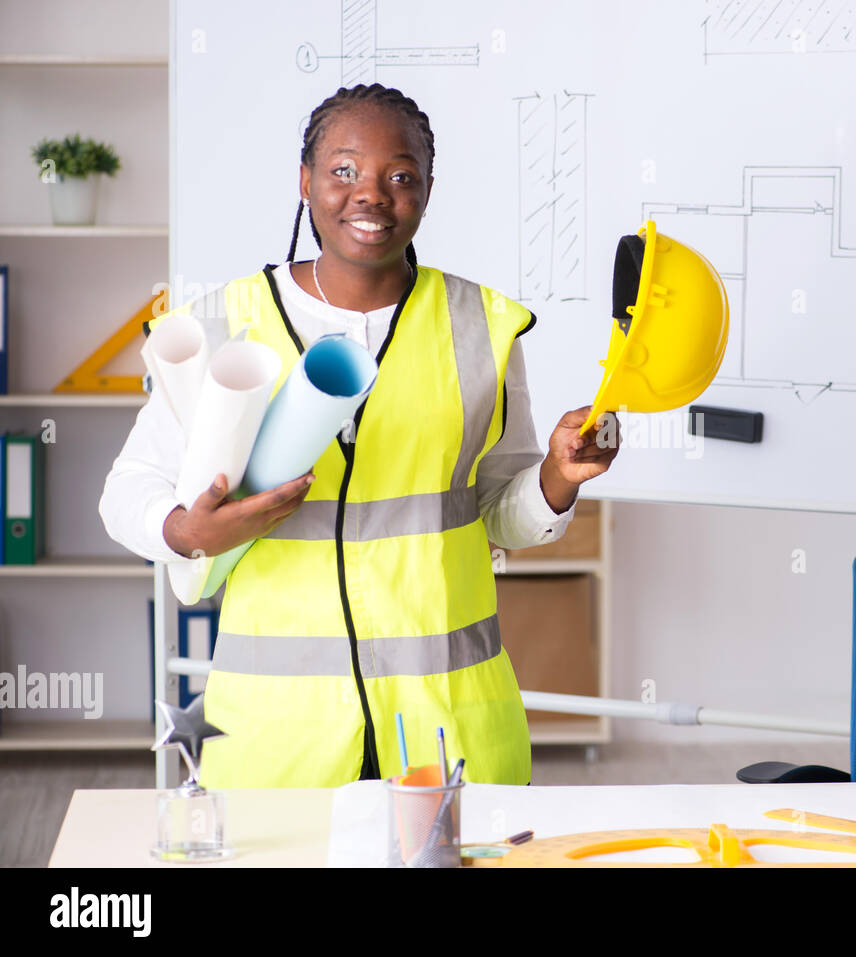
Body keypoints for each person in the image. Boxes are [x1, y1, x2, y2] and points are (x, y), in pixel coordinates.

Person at [99, 82, 619, 788]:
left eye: (399, 176)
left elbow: (502, 514)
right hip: (278, 744)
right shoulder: (223, 324)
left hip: (449, 730)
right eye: (343, 171)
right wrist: (189, 533)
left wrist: (558, 477)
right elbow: (126, 490)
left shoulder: (479, 325)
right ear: (305, 181)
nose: (370, 195)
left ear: (428, 190)